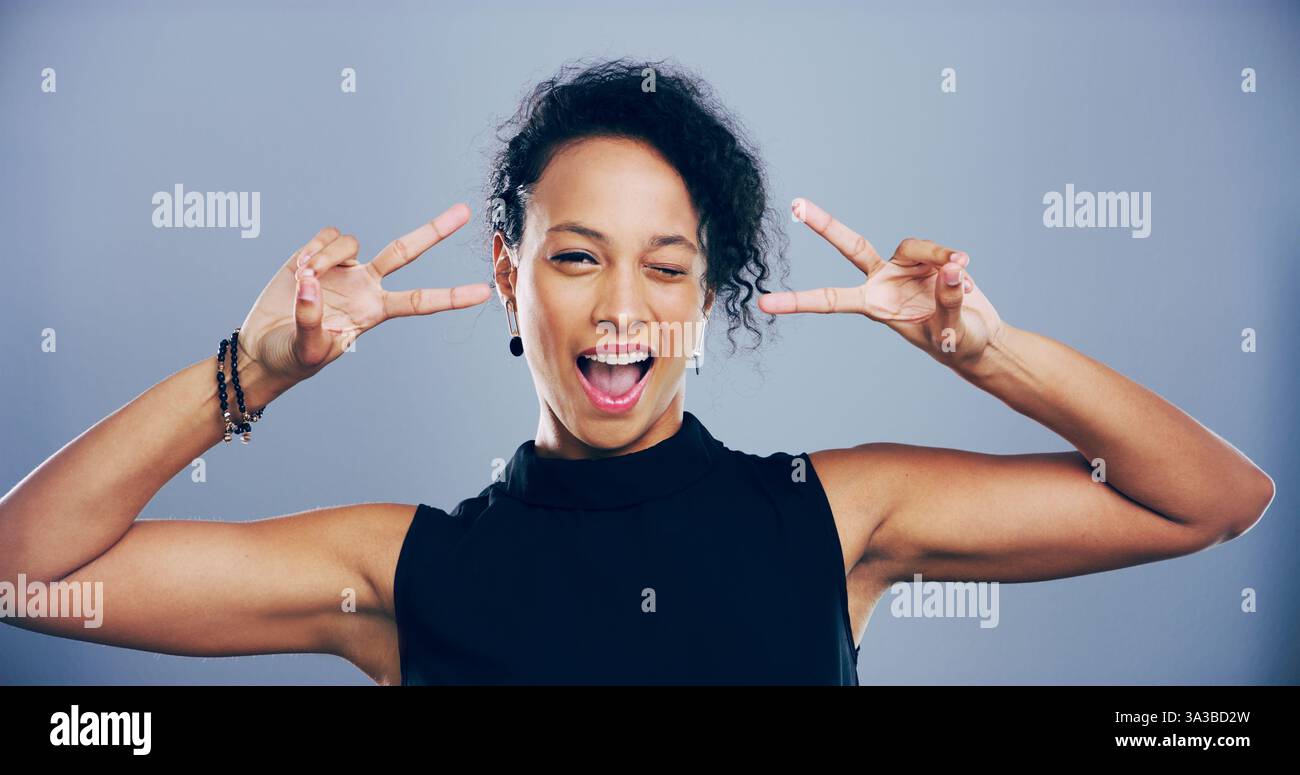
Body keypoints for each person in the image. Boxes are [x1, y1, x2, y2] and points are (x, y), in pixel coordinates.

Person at [0, 59, 1274, 685]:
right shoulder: (400, 572)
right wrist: (252, 370)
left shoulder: (836, 517)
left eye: (667, 268)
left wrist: (992, 357)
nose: (621, 314)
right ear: (507, 276)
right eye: (573, 259)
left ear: (709, 292)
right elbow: (24, 576)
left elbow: (1210, 498)